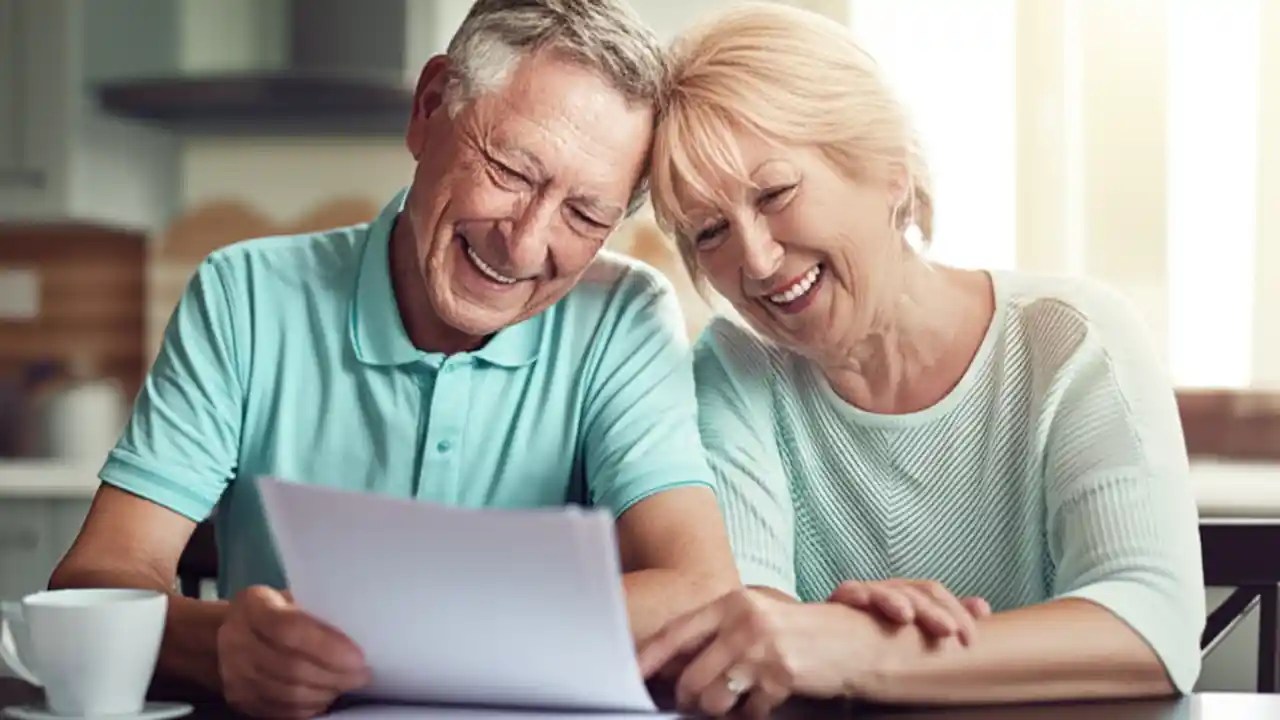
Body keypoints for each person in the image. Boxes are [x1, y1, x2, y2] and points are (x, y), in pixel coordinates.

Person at [47, 2, 743, 717]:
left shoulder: (622, 316)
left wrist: (399, 636)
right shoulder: (245, 293)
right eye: (510, 169)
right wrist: (222, 642)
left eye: (585, 215)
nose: (526, 245)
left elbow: (700, 590)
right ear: (430, 107)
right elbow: (95, 580)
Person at [636, 4, 1206, 717]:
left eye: (776, 193)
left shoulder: (1071, 341)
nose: (754, 260)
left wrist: (864, 650)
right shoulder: (734, 368)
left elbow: (1151, 627)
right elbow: (747, 633)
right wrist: (822, 636)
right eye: (711, 231)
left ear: (889, 171)